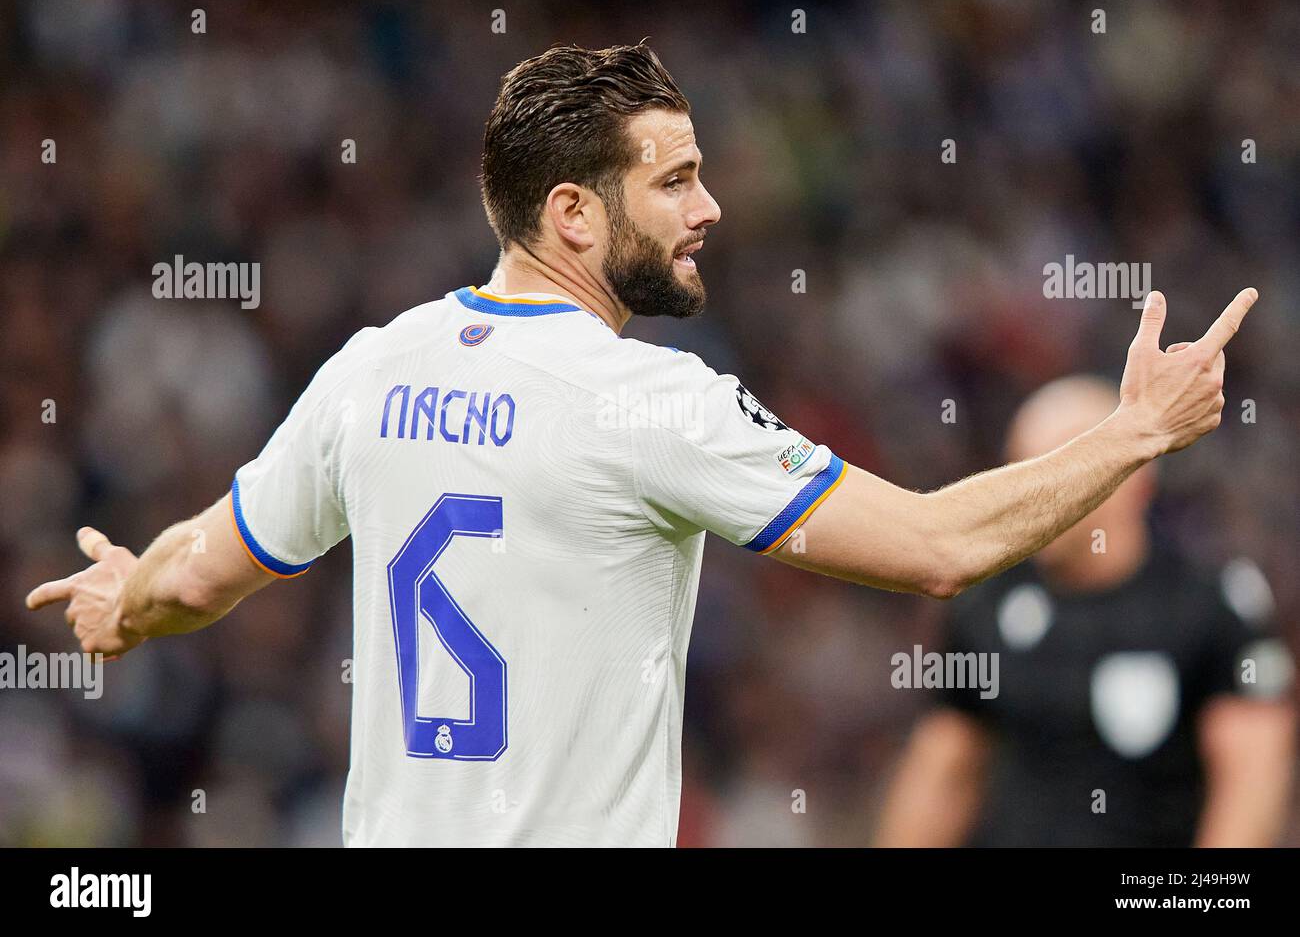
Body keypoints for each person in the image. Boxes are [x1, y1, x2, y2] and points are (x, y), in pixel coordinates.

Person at [25, 42, 1261, 846]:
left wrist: (123, 603)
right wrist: (1133, 431)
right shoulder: (647, 400)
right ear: (573, 211)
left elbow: (194, 572)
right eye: (673, 180)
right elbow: (938, 546)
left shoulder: (372, 365)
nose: (711, 207)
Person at [873, 376, 1296, 847]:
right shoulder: (985, 603)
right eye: (1021, 468)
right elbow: (944, 771)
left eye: (1057, 467)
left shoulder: (1209, 602)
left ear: (1132, 475)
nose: (1029, 491)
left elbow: (1251, 780)